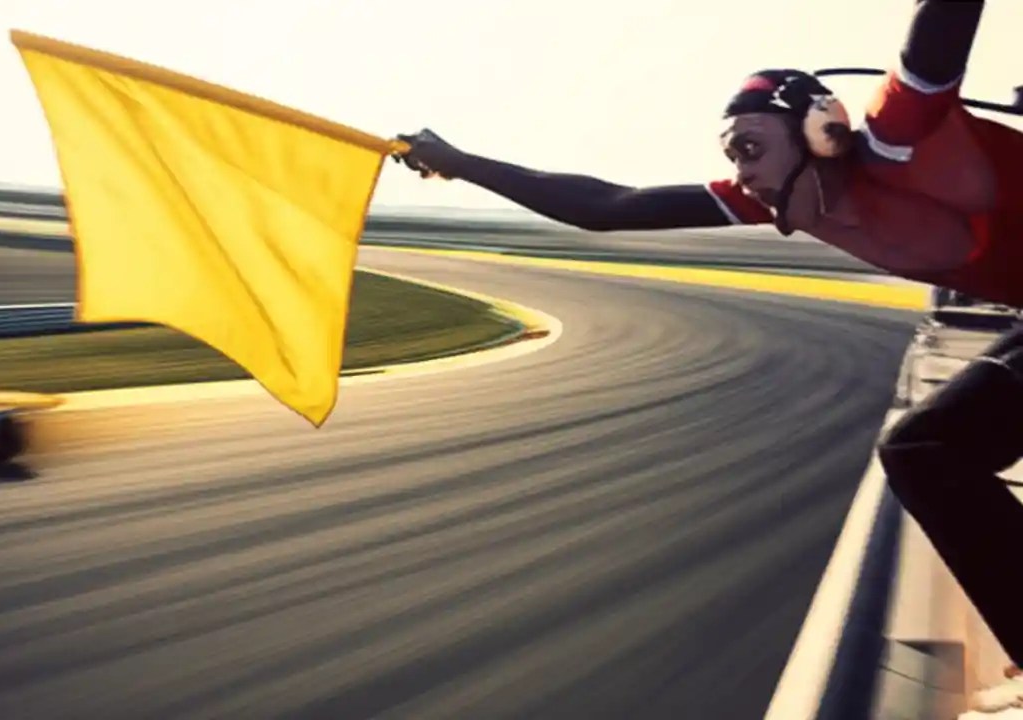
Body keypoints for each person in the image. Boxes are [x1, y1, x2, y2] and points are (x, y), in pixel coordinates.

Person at [393, 0, 1023, 711]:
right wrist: (458, 163)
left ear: (823, 132)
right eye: (732, 157)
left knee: (927, 448)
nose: (742, 176)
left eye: (750, 149)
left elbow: (940, 26)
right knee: (922, 450)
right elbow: (609, 207)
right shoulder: (773, 196)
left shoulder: (897, 136)